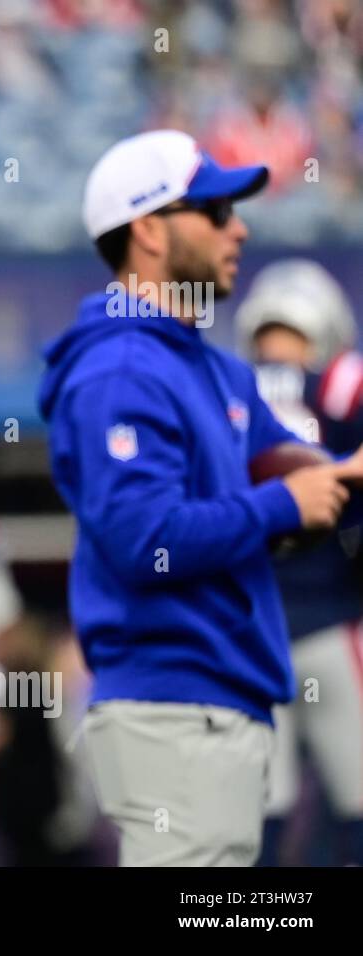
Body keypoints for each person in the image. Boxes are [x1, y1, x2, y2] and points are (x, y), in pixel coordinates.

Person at [37, 129, 363, 866]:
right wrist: (287, 505)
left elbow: (305, 472)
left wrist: (340, 476)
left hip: (222, 702)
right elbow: (143, 538)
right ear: (149, 229)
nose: (239, 227)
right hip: (170, 703)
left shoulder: (213, 369)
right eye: (215, 211)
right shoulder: (120, 365)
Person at [233, 259, 363, 865]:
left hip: (252, 632)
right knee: (354, 807)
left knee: (262, 821)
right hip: (335, 624)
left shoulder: (225, 391)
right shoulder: (340, 386)